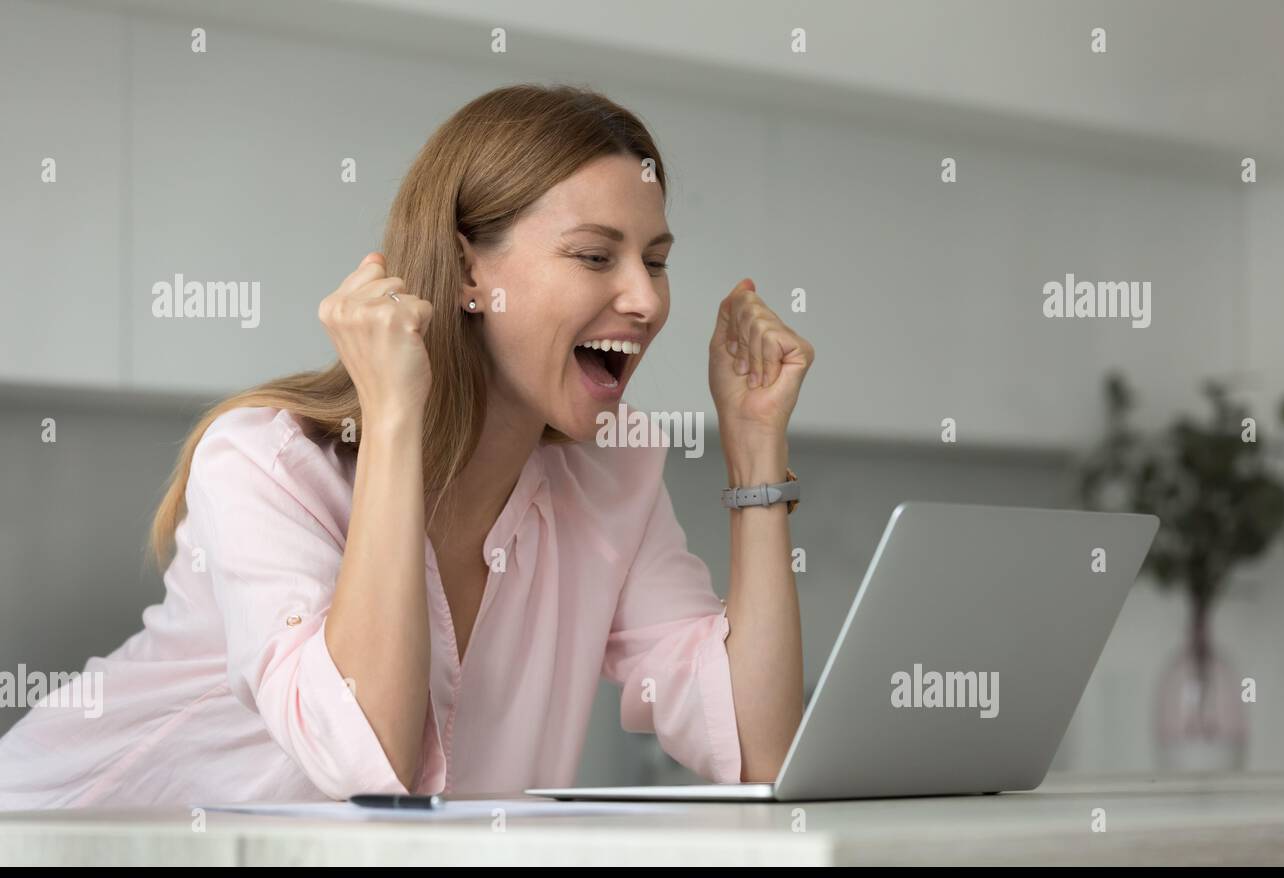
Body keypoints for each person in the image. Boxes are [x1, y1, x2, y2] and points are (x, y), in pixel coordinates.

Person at [0, 83, 814, 809]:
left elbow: (757, 748)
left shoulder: (614, 475)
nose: (644, 300)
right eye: (596, 256)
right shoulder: (265, 463)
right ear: (468, 273)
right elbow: (368, 761)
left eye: (657, 261)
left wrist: (754, 458)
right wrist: (393, 418)